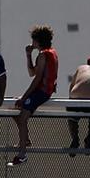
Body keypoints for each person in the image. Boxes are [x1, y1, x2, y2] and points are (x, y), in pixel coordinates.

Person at [10, 25, 57, 166]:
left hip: (42, 91)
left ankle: (22, 153)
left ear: (38, 41)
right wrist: (28, 55)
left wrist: (24, 97)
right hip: (43, 90)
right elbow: (32, 72)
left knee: (22, 117)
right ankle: (25, 140)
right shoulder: (50, 52)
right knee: (14, 111)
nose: (31, 43)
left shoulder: (43, 55)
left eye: (33, 41)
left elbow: (36, 79)